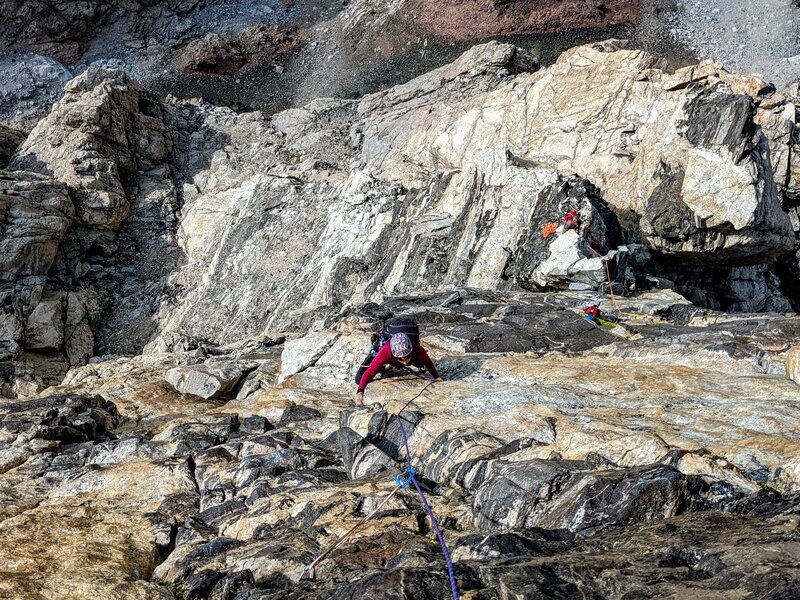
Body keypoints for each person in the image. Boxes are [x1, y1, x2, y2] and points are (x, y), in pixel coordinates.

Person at [355, 333, 443, 406]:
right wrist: (360, 391)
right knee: (359, 379)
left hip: (399, 359)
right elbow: (369, 372)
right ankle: (385, 366)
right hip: (387, 357)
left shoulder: (417, 348)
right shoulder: (386, 352)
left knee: (421, 361)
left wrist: (436, 376)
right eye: (401, 358)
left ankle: (403, 361)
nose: (404, 361)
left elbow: (427, 362)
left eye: (407, 356)